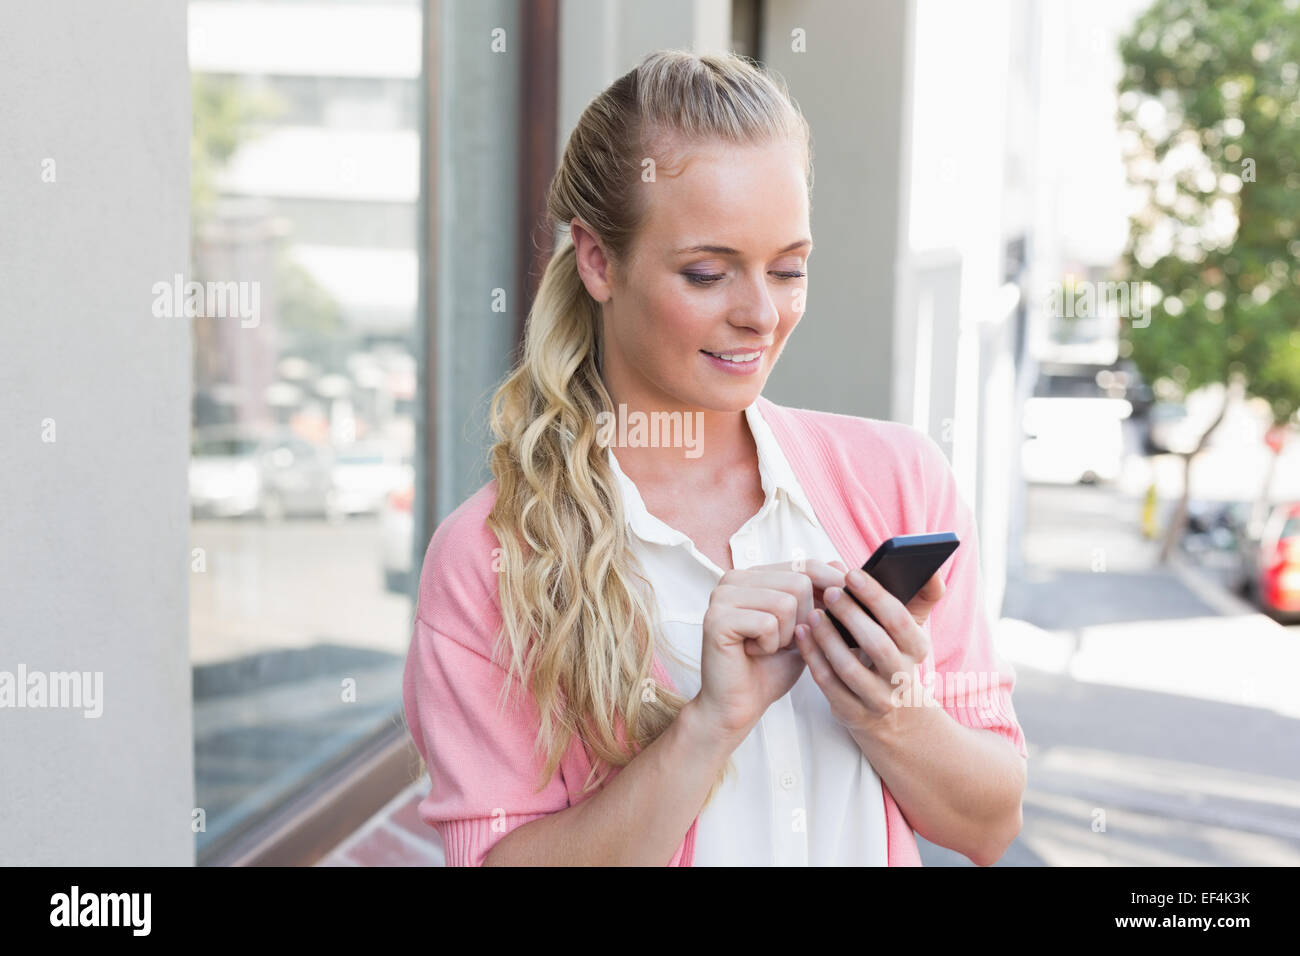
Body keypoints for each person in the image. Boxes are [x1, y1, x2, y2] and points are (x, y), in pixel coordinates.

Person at [402, 48, 1027, 866]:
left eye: (789, 269)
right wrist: (707, 726)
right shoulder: (489, 558)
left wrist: (888, 709)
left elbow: (988, 827)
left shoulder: (901, 480)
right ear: (598, 260)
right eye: (707, 274)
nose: (762, 314)